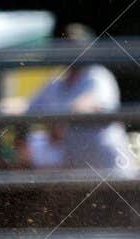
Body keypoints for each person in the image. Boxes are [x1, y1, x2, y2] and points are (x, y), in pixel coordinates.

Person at [23, 24, 131, 175]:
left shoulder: (98, 75)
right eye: (68, 46)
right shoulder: (57, 81)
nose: (74, 52)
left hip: (112, 170)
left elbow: (87, 105)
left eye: (78, 47)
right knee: (34, 142)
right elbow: (27, 107)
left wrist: (58, 124)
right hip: (80, 173)